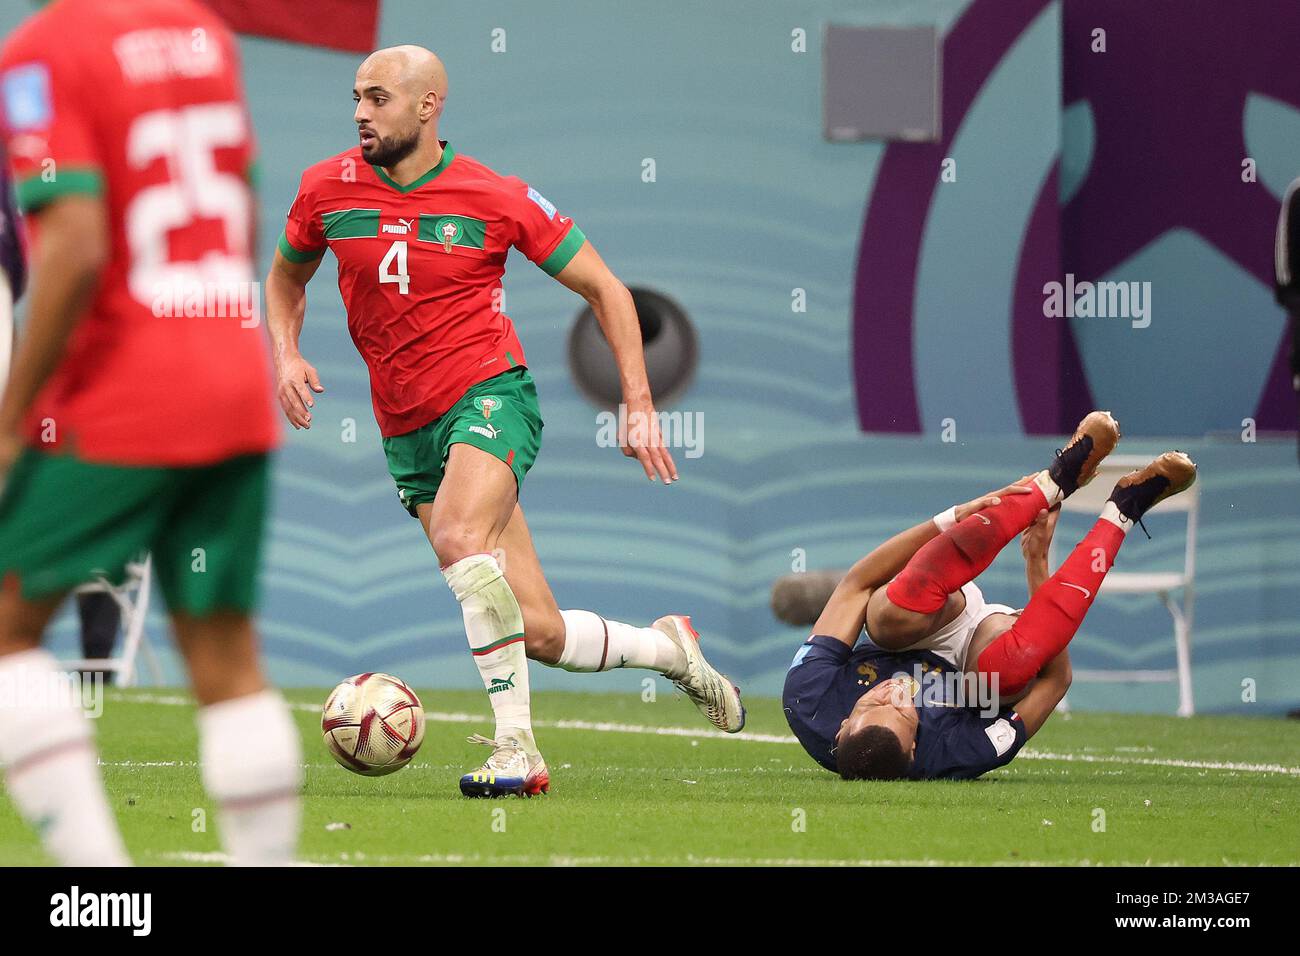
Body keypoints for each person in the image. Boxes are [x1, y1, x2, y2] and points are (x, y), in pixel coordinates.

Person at [266, 45, 744, 798]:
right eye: (356, 97)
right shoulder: (326, 188)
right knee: (542, 632)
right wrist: (286, 353)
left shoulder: (495, 196)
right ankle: (668, 649)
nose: (360, 112)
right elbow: (287, 276)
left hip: (491, 397)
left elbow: (608, 292)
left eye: (379, 98)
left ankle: (516, 749)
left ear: (429, 107)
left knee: (460, 537)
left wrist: (639, 404)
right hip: (407, 429)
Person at [0, 0, 300, 864]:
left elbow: (79, 246)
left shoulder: (44, 48)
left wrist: (13, 418)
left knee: (7, 629)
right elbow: (239, 195)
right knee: (226, 658)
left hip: (126, 393)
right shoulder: (205, 34)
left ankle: (101, 887)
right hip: (230, 376)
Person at [784, 411, 1198, 779]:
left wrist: (949, 519)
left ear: (841, 728)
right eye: (901, 711)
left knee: (894, 616)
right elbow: (1057, 679)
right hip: (976, 653)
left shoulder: (809, 701)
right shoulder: (962, 751)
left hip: (927, 619)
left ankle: (1054, 481)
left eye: (872, 703)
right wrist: (1037, 563)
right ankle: (1125, 508)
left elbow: (856, 584)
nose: (894, 693)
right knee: (1006, 675)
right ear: (915, 750)